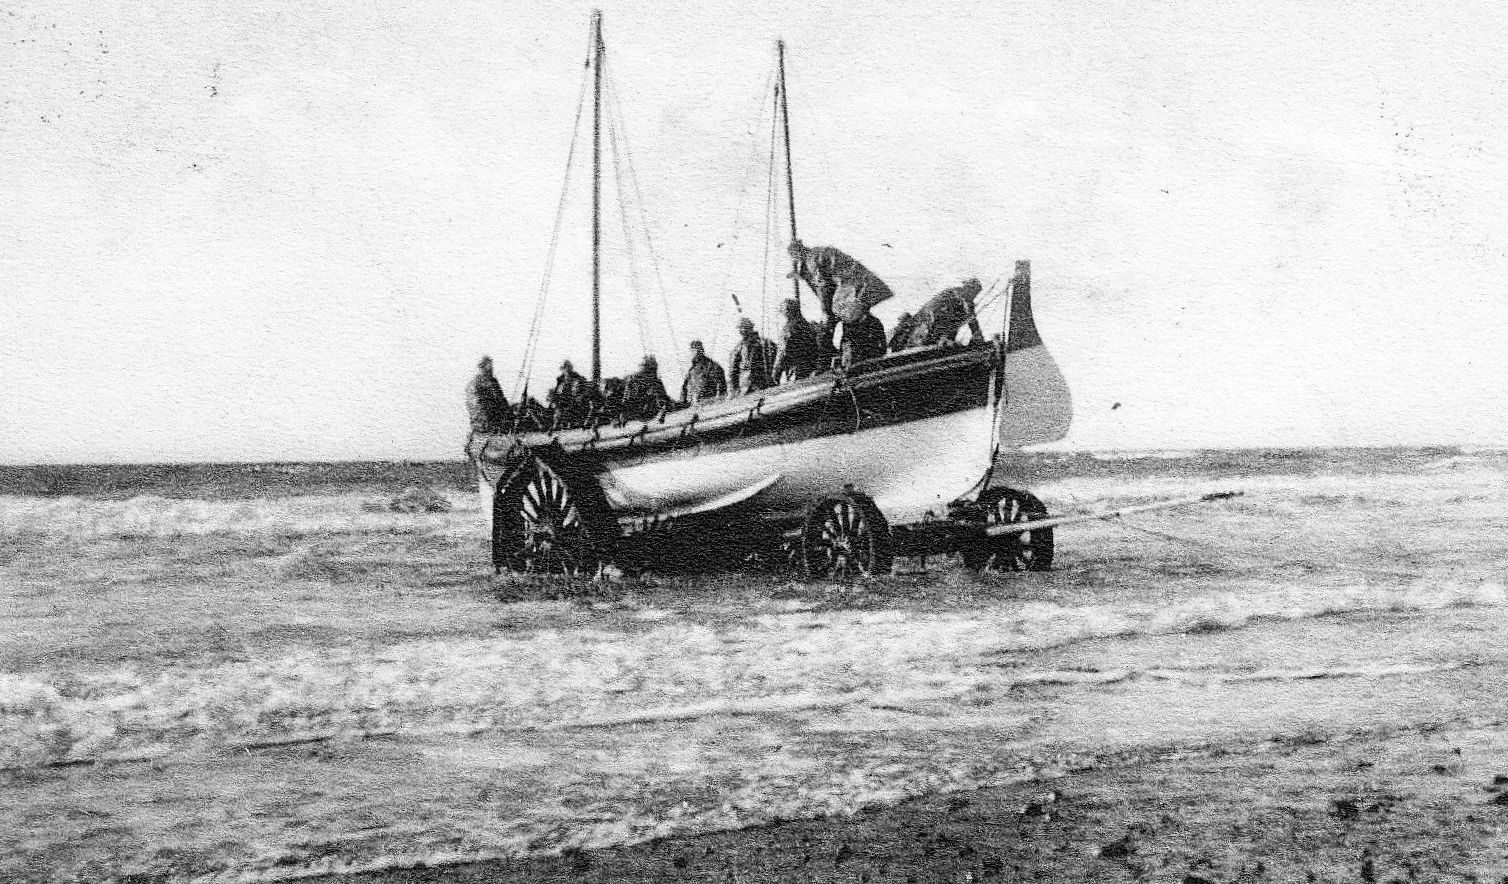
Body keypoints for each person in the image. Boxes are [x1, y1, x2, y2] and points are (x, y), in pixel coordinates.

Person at [910, 278, 985, 347]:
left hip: (944, 330)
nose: (974, 295)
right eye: (973, 291)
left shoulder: (969, 305)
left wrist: (977, 334)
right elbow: (935, 311)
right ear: (967, 288)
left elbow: (972, 321)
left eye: (976, 293)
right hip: (929, 323)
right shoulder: (952, 294)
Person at [772, 298, 824, 381]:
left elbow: (782, 353)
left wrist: (775, 374)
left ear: (787, 312)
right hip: (812, 368)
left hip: (796, 372)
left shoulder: (788, 330)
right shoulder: (807, 325)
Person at [728, 317, 775, 395]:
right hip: (747, 387)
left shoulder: (766, 343)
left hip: (760, 384)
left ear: (751, 328)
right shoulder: (739, 348)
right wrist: (734, 390)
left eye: (743, 328)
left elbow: (775, 361)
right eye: (740, 329)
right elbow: (733, 371)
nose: (740, 331)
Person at [465, 356, 513, 433]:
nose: (491, 370)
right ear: (483, 368)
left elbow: (501, 400)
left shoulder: (488, 382)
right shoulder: (480, 384)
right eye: (489, 369)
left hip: (483, 422)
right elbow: (480, 407)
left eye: (491, 368)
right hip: (487, 423)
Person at [622, 355, 674, 419]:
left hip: (648, 408)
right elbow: (627, 393)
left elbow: (663, 396)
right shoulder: (634, 378)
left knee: (658, 394)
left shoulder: (655, 381)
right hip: (639, 406)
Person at [680, 340, 728, 406]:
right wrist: (682, 403)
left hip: (709, 404)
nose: (696, 352)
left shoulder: (712, 366)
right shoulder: (691, 370)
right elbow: (684, 389)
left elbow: (722, 388)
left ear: (702, 350)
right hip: (693, 406)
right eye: (693, 350)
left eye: (698, 349)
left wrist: (718, 402)